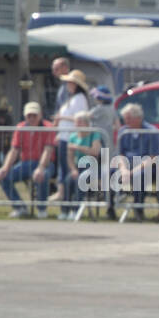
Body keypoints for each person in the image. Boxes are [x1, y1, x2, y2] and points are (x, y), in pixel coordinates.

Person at [0, 101, 54, 218]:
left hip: (46, 163)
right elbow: (14, 150)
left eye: (34, 115)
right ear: (25, 116)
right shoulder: (20, 127)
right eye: (29, 115)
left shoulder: (49, 127)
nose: (31, 118)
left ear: (40, 115)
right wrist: (5, 168)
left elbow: (48, 150)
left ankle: (42, 209)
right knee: (4, 177)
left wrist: (41, 168)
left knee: (42, 175)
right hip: (26, 163)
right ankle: (20, 207)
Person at [112, 102, 159, 222]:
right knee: (109, 173)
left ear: (139, 118)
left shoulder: (151, 132)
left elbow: (152, 157)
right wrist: (124, 170)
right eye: (125, 118)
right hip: (127, 165)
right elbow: (120, 154)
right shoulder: (123, 131)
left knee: (138, 176)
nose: (126, 121)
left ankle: (138, 209)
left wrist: (132, 172)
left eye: (129, 118)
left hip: (147, 167)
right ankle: (110, 207)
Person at [50, 69, 90, 218]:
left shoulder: (80, 99)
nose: (67, 84)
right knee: (66, 174)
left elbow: (80, 119)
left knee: (70, 174)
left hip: (71, 139)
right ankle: (66, 208)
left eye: (70, 82)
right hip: (64, 138)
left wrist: (61, 119)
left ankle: (72, 208)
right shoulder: (71, 99)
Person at [65, 110, 105, 216]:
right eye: (75, 122)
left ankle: (76, 210)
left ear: (86, 123)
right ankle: (65, 210)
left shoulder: (94, 134)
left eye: (79, 122)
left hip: (93, 166)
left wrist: (78, 147)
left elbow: (95, 152)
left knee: (81, 180)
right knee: (68, 180)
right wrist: (73, 169)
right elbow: (69, 157)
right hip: (78, 166)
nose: (76, 125)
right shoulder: (73, 136)